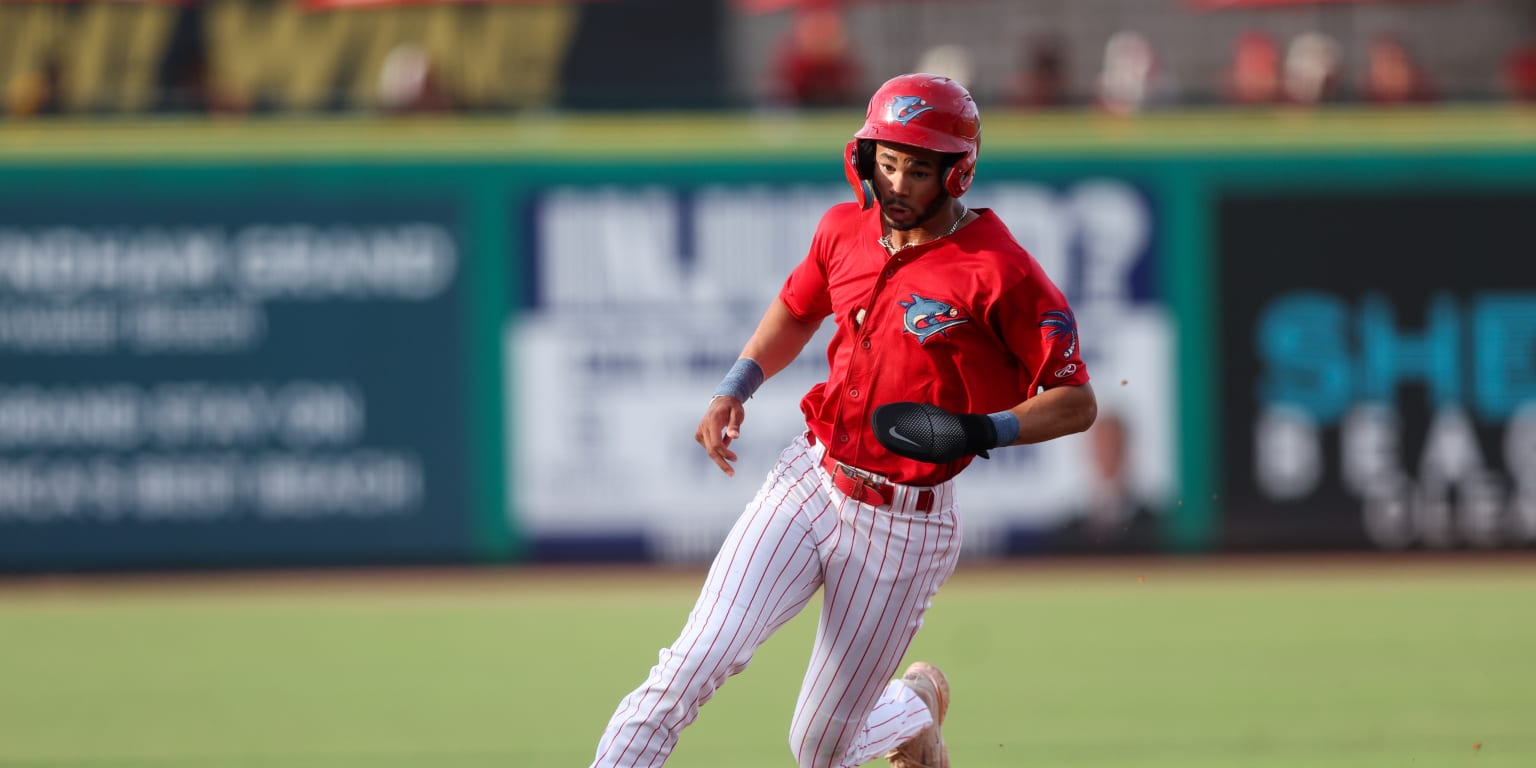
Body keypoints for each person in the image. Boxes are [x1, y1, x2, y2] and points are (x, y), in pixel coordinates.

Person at [588, 73, 1097, 768]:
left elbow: (1075, 400)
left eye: (918, 169)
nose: (897, 183)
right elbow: (798, 307)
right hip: (810, 479)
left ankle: (912, 706)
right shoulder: (844, 229)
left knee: (818, 750)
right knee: (690, 664)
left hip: (904, 527)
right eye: (887, 162)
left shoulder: (1000, 270)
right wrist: (737, 384)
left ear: (957, 173)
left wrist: (986, 430)